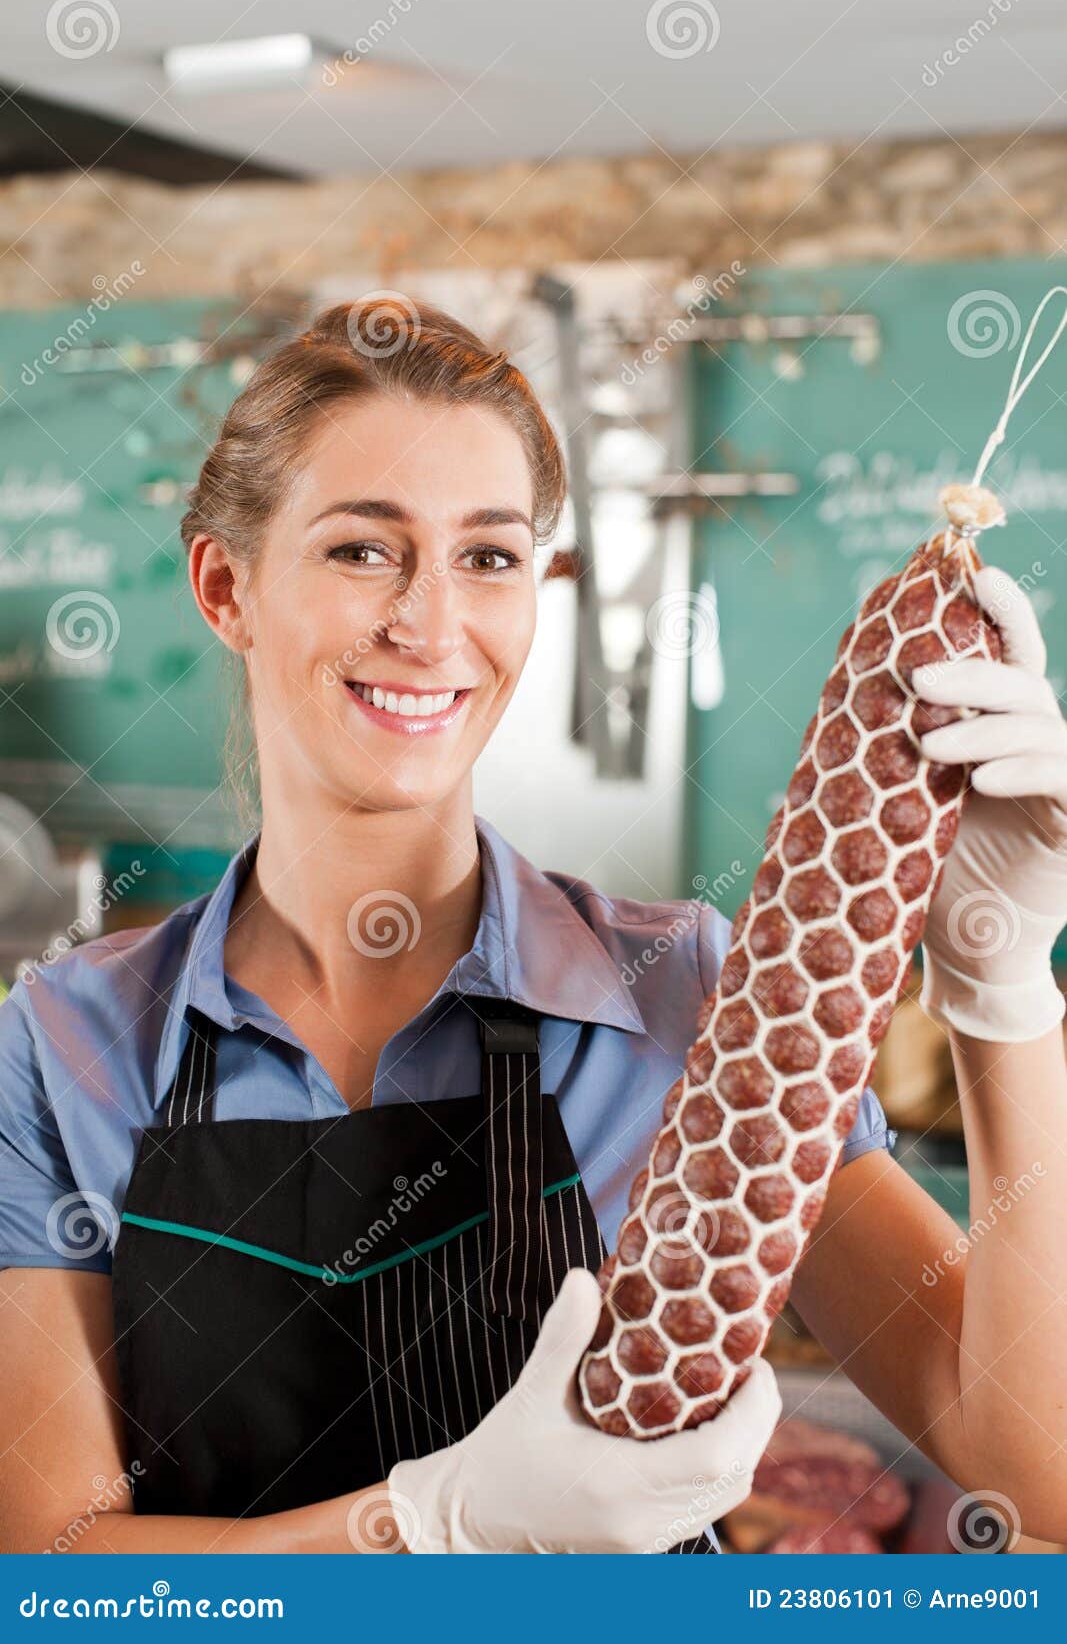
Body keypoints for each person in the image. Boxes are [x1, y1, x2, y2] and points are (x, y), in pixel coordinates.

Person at [1, 298, 1066, 1554]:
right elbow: (49, 1568)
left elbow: (1034, 1472)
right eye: (362, 549)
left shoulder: (686, 992)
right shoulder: (70, 1040)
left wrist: (1001, 985)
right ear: (225, 587)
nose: (429, 624)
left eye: (490, 558)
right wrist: (427, 1523)